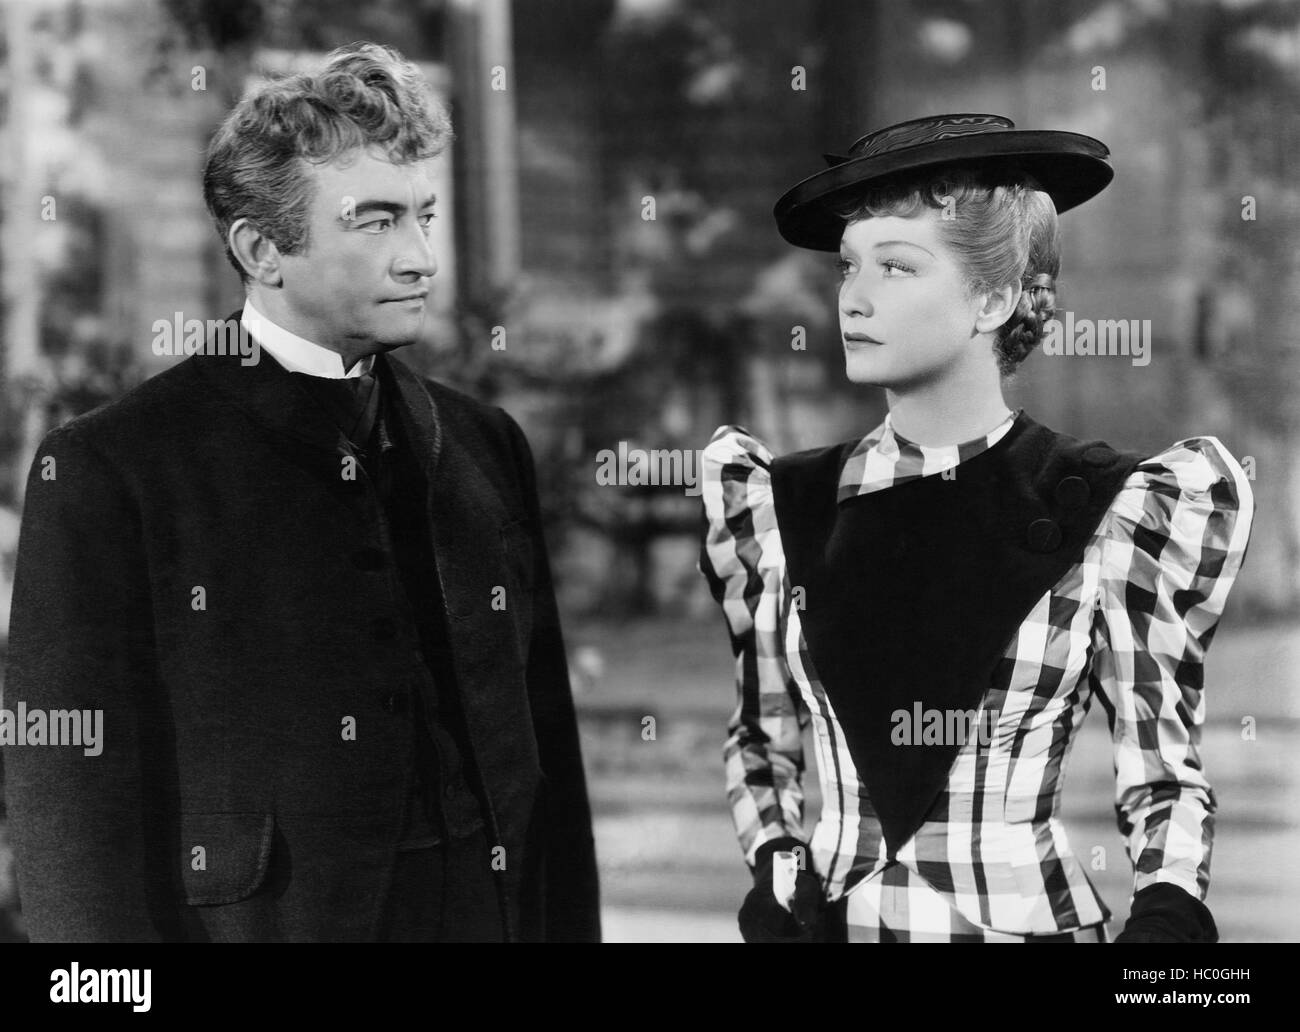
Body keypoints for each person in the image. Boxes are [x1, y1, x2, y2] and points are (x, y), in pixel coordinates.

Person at [3, 42, 599, 943]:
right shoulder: (112, 469)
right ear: (260, 249)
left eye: (425, 216)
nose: (421, 259)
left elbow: (547, 753)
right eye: (377, 222)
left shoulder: (485, 444)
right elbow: (72, 821)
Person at [698, 113, 1254, 943]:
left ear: (993, 298)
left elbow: (1163, 779)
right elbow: (759, 739)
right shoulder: (783, 503)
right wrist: (778, 875)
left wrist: (1168, 922)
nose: (855, 296)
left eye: (897, 267)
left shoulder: (1102, 506)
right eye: (851, 266)